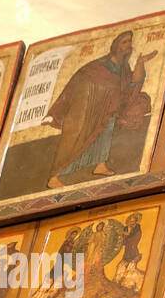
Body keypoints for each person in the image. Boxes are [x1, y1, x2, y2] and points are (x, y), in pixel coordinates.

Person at [42, 31, 157, 189]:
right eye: (124, 42)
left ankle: (100, 164)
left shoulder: (123, 67)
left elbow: (131, 84)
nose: (128, 46)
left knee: (106, 134)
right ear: (116, 45)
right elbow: (76, 84)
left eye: (130, 43)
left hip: (109, 109)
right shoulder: (97, 66)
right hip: (90, 109)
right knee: (76, 138)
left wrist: (140, 63)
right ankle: (54, 176)